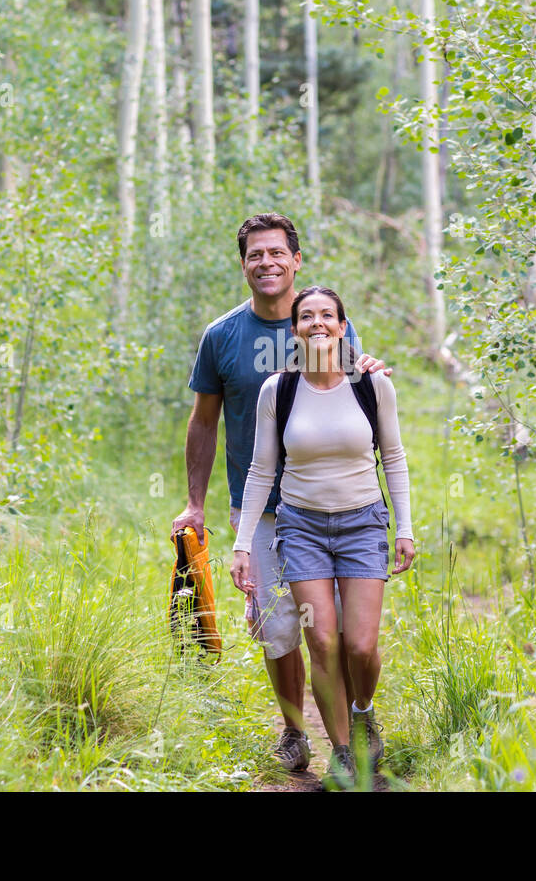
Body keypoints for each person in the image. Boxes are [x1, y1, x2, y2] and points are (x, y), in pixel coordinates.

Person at [172, 213, 391, 774]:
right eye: (254, 255)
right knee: (278, 629)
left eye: (276, 253)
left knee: (336, 631)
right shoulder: (221, 336)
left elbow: (357, 391)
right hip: (259, 505)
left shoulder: (325, 321)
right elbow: (203, 422)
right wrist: (196, 504)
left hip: (329, 503)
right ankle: (296, 732)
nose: (265, 263)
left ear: (296, 260)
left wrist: (368, 365)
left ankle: (351, 736)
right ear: (243, 264)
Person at [232, 286, 415, 790]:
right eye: (306, 316)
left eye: (327, 315)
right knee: (322, 639)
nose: (317, 323)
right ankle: (342, 752)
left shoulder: (372, 386)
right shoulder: (279, 389)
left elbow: (394, 458)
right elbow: (261, 469)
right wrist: (243, 543)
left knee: (359, 646)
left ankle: (363, 712)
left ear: (341, 327)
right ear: (294, 329)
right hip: (301, 528)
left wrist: (406, 528)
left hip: (362, 526)